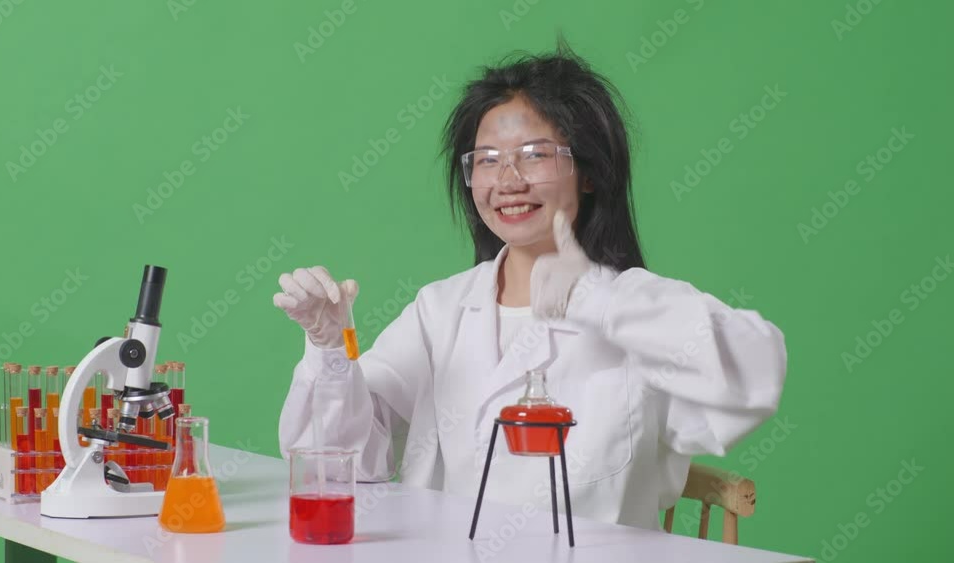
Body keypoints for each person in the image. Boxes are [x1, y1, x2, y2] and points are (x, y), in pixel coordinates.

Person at [273, 43, 787, 531]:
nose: (508, 180)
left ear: (588, 172)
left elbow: (753, 377)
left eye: (535, 154)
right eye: (487, 159)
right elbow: (340, 462)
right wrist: (330, 350)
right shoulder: (440, 310)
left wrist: (594, 299)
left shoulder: (633, 304)